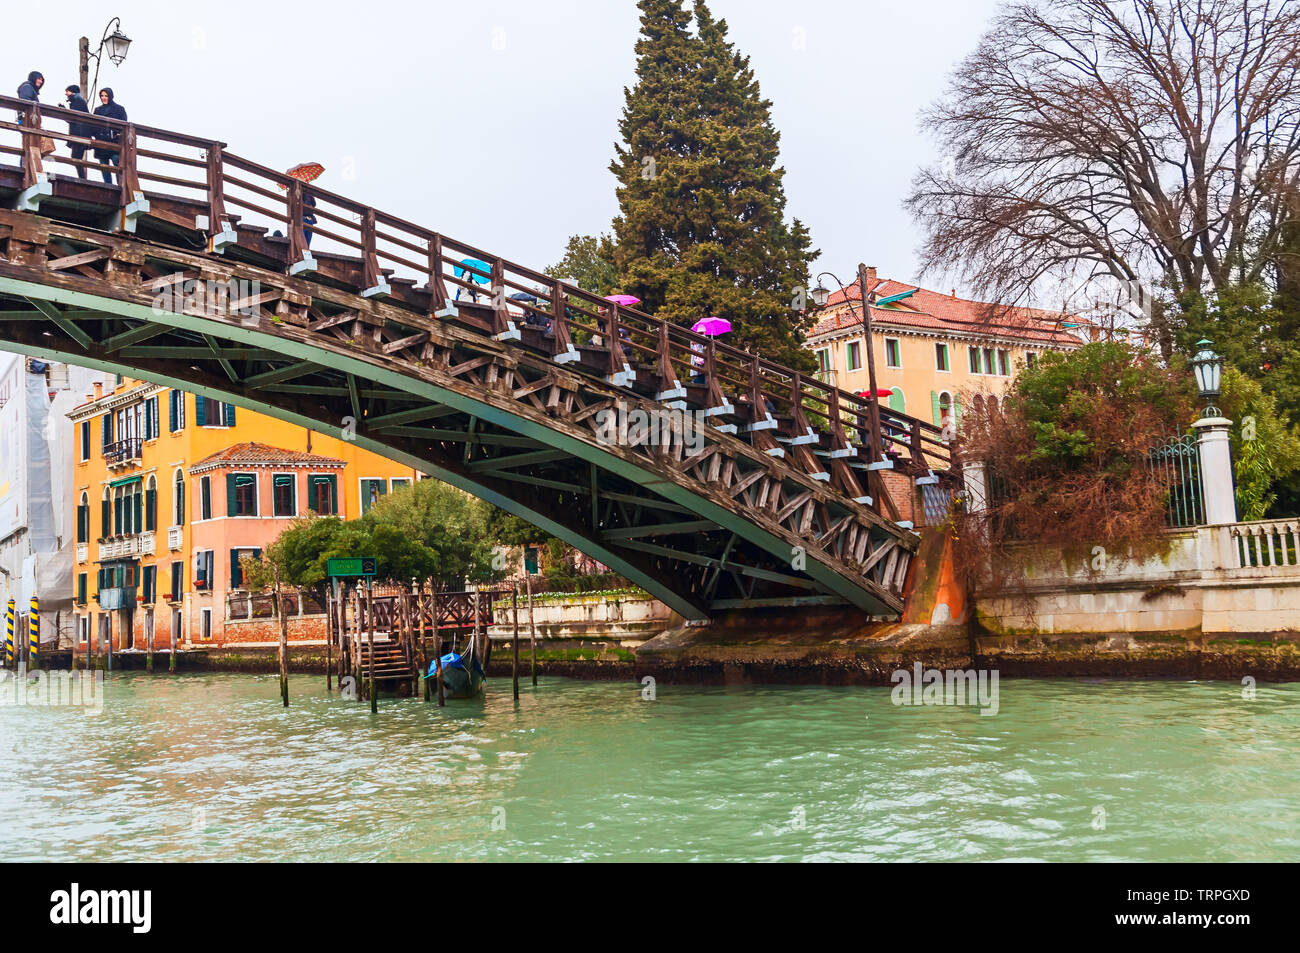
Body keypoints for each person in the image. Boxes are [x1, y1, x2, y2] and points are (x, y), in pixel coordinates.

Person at [91, 87, 127, 184]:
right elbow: (93, 125)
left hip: (114, 143)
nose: (103, 98)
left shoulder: (119, 109)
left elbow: (124, 126)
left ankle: (121, 186)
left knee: (117, 163)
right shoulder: (98, 110)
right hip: (101, 142)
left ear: (110, 96)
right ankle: (108, 186)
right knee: (104, 167)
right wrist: (96, 135)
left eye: (106, 96)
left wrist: (117, 136)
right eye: (102, 96)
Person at [62, 85, 91, 179]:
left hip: (79, 134)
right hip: (81, 133)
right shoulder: (77, 100)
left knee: (75, 158)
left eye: (67, 91)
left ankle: (82, 178)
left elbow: (73, 118)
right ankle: (82, 178)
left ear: (72, 92)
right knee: (76, 158)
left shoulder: (77, 100)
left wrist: (63, 111)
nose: (66, 93)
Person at [15, 71, 43, 168]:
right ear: (33, 78)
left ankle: (26, 166)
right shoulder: (27, 87)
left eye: (41, 79)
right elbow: (25, 102)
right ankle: (24, 167)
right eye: (38, 78)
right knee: (29, 143)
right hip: (27, 120)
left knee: (30, 143)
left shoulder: (30, 88)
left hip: (30, 120)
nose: (40, 81)